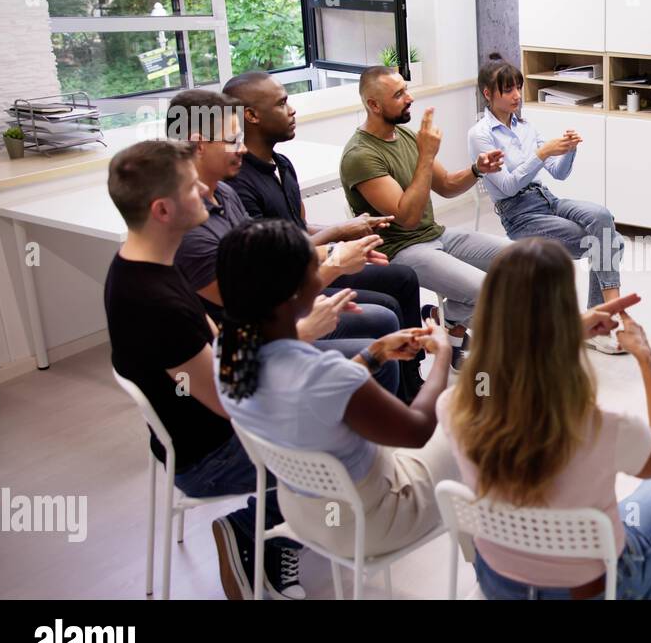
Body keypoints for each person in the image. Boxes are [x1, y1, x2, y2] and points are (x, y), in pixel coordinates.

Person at [103, 140, 304, 600]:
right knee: (328, 440)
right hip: (208, 457)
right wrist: (299, 333)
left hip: (208, 426)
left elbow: (218, 336)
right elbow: (231, 400)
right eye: (193, 188)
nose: (207, 193)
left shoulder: (149, 260)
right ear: (162, 209)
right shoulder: (153, 302)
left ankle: (292, 523)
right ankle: (248, 531)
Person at [437, 238, 651, 599]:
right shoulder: (603, 428)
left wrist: (564, 332)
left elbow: (498, 375)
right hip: (589, 590)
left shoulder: (452, 407)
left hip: (499, 582)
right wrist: (646, 358)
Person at [213, 218, 461, 561]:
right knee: (465, 411)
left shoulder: (227, 353)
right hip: (370, 523)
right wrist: (442, 355)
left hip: (302, 511)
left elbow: (320, 399)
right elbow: (417, 429)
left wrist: (374, 354)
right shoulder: (320, 374)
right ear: (295, 291)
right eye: (313, 267)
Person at [165, 89, 403, 394]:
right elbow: (256, 307)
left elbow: (268, 260)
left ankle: (386, 416)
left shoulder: (224, 193)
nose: (242, 149)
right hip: (253, 349)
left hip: (275, 315)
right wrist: (335, 264)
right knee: (379, 355)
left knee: (382, 317)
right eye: (232, 141)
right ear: (198, 145)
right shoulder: (190, 232)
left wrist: (331, 251)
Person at [222, 71, 426, 398]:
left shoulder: (282, 164)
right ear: (252, 115)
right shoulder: (240, 182)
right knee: (386, 308)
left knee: (402, 278)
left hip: (307, 264)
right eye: (282, 103)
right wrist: (337, 237)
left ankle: (410, 375)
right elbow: (270, 254)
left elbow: (296, 228)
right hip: (291, 282)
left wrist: (348, 233)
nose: (292, 111)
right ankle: (398, 392)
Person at [339, 66, 509, 370]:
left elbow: (446, 186)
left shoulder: (403, 135)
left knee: (520, 259)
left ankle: (447, 323)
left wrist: (477, 169)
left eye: (406, 89)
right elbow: (406, 217)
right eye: (399, 94)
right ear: (374, 105)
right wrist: (427, 156)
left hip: (437, 235)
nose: (410, 98)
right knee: (487, 289)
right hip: (401, 251)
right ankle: (463, 333)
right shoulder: (360, 156)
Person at [466, 53, 627, 354]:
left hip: (547, 199)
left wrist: (568, 150)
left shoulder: (525, 126)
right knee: (611, 243)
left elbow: (558, 173)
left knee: (603, 218)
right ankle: (603, 318)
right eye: (508, 89)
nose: (517, 95)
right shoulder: (480, 136)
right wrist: (541, 154)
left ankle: (600, 318)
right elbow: (509, 184)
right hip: (519, 214)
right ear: (488, 94)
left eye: (518, 87)